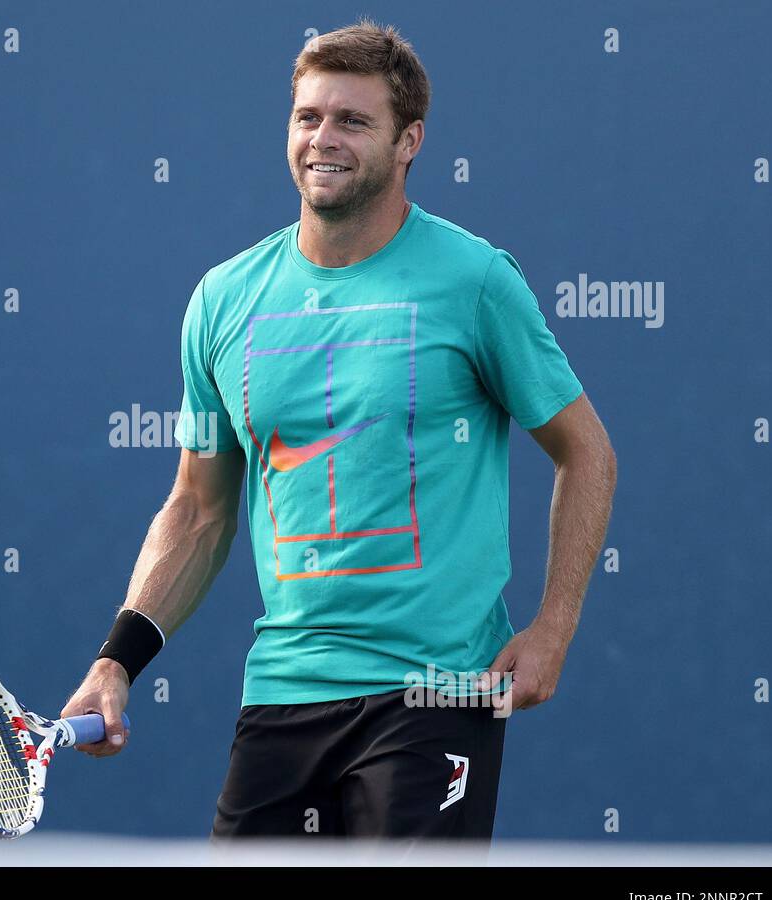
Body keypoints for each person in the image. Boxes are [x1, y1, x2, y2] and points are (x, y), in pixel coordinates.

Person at [61, 19, 616, 841]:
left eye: (353, 120)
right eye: (308, 116)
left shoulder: (476, 282)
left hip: (436, 694)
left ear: (409, 142)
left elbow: (588, 454)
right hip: (284, 692)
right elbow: (198, 510)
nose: (323, 138)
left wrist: (553, 629)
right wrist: (116, 662)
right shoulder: (222, 300)